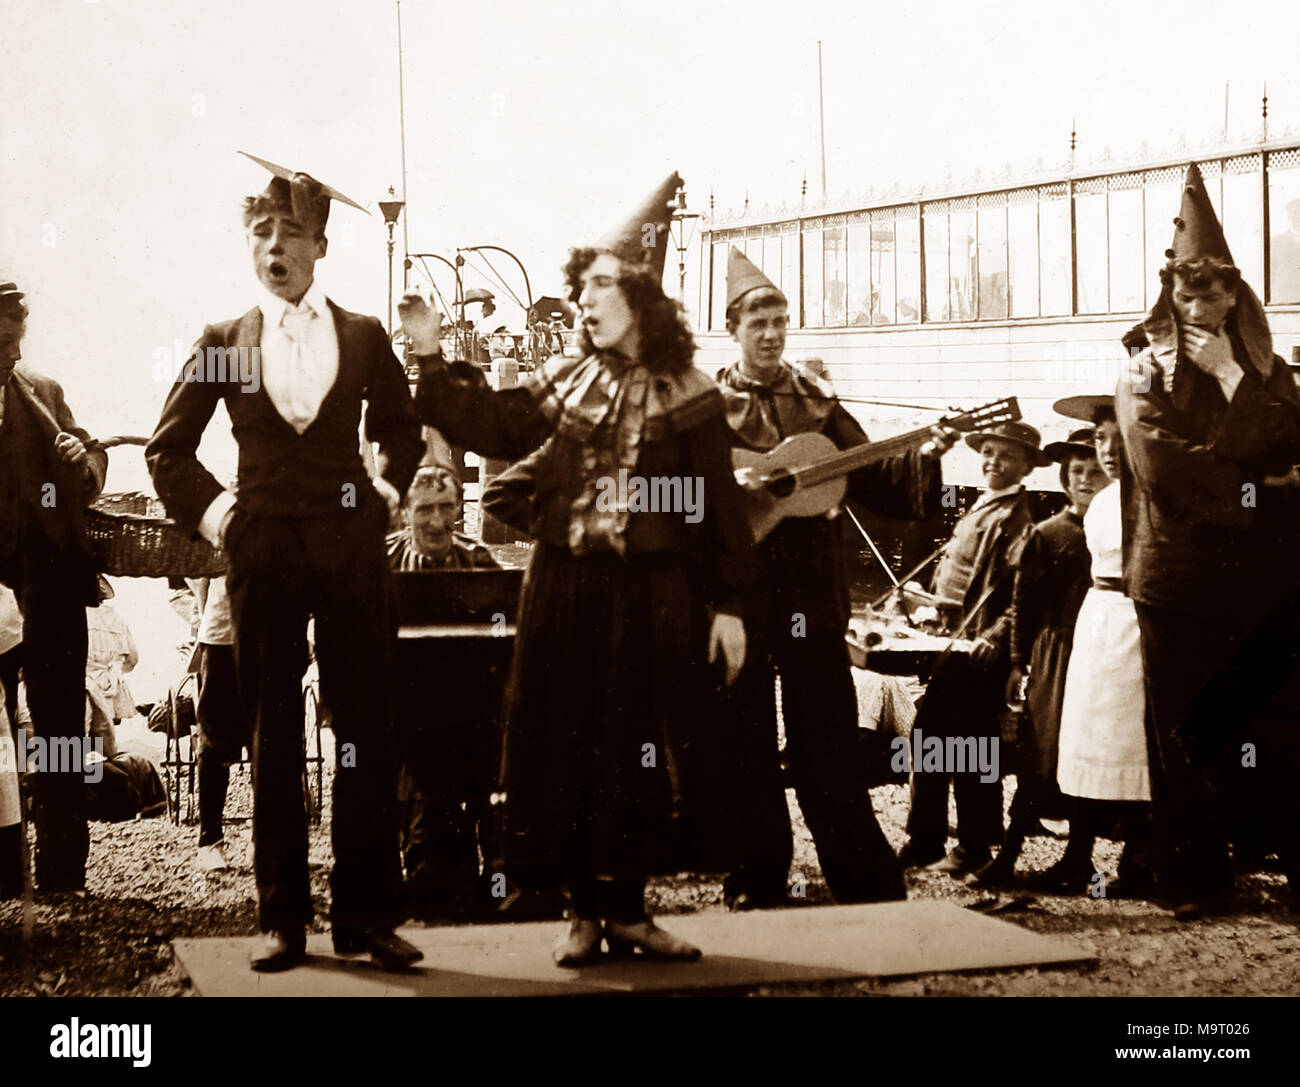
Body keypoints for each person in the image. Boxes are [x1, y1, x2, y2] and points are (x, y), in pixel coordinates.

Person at [400, 172, 755, 965]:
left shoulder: (690, 393)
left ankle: (627, 908)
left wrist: (729, 605)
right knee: (565, 741)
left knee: (635, 742)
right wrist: (429, 356)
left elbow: (717, 507)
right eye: (583, 286)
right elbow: (492, 424)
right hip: (564, 587)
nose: (586, 301)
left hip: (652, 593)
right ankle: (581, 913)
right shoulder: (566, 377)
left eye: (601, 287)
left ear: (641, 299)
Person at [146, 155, 426, 971]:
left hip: (348, 551)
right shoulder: (224, 342)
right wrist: (226, 516)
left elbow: (404, 433)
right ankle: (282, 920)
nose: (275, 246)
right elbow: (168, 453)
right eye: (260, 231)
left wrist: (382, 488)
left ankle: (369, 916)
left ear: (321, 245)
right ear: (247, 243)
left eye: (292, 231)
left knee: (363, 732)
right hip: (261, 554)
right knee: (270, 734)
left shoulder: (365, 336)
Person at [712, 247, 953, 909]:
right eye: (757, 320)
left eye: (780, 319)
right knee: (746, 734)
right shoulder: (708, 406)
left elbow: (872, 474)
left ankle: (864, 879)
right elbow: (682, 493)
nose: (770, 332)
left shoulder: (816, 400)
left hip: (813, 589)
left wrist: (922, 456)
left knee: (828, 732)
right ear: (732, 326)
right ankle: (756, 877)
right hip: (742, 585)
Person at [1116, 161, 1300, 919]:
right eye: (1186, 293)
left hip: (1258, 580)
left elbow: (1291, 431)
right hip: (1179, 580)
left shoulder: (1264, 369)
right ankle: (1191, 877)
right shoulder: (1141, 374)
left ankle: (1277, 859)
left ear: (1234, 294)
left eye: (1215, 291)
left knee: (1272, 719)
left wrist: (1230, 381)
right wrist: (1259, 485)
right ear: (1171, 296)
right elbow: (1166, 473)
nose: (1201, 306)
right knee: (1186, 731)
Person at [0, 280, 109, 893]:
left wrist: (82, 463)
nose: (12, 356)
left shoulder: (42, 392)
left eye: (17, 342)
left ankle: (64, 868)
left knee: (61, 728)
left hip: (52, 585)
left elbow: (94, 464)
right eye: (0, 344)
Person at [898, 421, 1043, 876]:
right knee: (930, 737)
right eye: (988, 453)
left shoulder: (1018, 518)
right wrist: (932, 608)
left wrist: (996, 639)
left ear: (1026, 466)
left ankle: (975, 847)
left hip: (979, 652)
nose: (993, 462)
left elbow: (1023, 595)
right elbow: (957, 578)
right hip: (951, 644)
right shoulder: (981, 505)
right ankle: (925, 841)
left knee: (973, 745)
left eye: (1006, 456)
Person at [969, 422, 1108, 887]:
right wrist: (1016, 661)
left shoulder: (1121, 532)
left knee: (1091, 753)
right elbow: (1021, 605)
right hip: (1056, 655)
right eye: (1076, 470)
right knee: (1039, 754)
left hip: (1105, 652)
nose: (1085, 478)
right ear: (1065, 477)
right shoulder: (1048, 534)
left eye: (1095, 470)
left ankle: (1079, 855)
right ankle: (1007, 854)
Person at [1026, 403, 1151, 894]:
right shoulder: (1101, 501)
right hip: (1095, 620)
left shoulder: (1152, 494)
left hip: (1135, 621)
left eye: (1118, 438)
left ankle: (1136, 861)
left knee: (1129, 742)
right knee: (1084, 735)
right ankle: (1077, 857)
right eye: (1101, 439)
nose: (1109, 449)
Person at [387, 454, 503, 919]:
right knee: (432, 862)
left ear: (459, 509)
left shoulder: (480, 562)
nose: (436, 521)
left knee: (499, 841)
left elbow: (504, 641)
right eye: (424, 509)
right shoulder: (383, 566)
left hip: (473, 716)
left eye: (446, 508)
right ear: (406, 512)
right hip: (407, 722)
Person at [187, 576, 250, 873]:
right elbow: (195, 568)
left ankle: (266, 840)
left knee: (271, 741)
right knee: (214, 741)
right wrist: (203, 614)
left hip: (273, 629)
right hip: (221, 633)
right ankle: (210, 840)